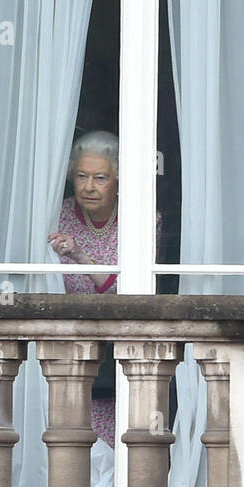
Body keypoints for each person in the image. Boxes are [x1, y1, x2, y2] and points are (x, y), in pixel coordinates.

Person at [48, 131, 163, 449]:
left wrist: (80, 256)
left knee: (119, 445)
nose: (88, 187)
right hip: (64, 347)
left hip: (116, 356)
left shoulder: (141, 221)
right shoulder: (55, 216)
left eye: (100, 177)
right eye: (82, 176)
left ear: (119, 179)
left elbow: (129, 293)